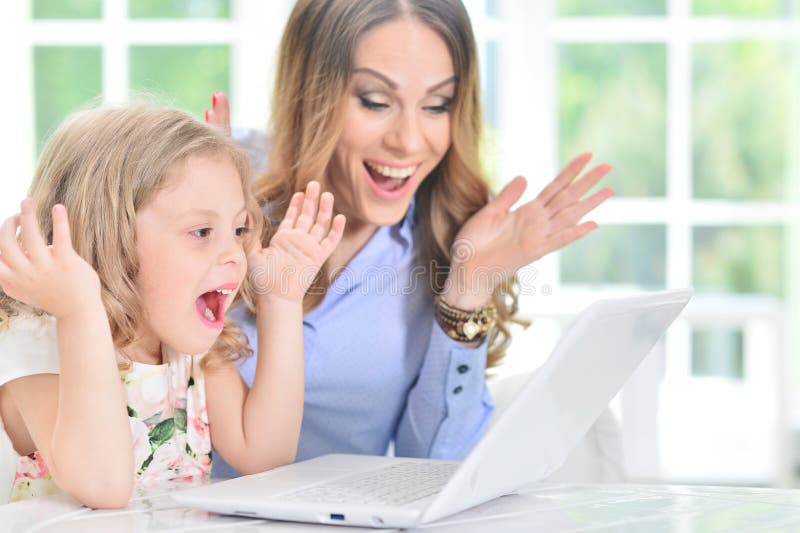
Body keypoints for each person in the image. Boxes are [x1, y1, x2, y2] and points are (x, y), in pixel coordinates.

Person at [207, 0, 614, 477]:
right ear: (310, 93)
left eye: (437, 105)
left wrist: (468, 290)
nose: (409, 141)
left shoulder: (445, 237)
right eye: (376, 101)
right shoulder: (223, 182)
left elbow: (435, 468)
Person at [0, 104, 344, 507]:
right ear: (113, 239)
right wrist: (82, 311)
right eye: (201, 231)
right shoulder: (37, 344)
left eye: (237, 229)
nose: (235, 253)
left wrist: (281, 301)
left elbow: (265, 454)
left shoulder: (186, 348)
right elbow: (103, 488)